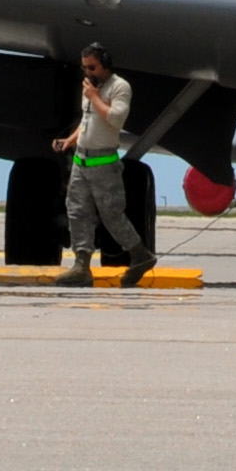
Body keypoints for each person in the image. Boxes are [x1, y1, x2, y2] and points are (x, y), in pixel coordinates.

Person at [54, 42, 153, 287]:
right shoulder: (90, 88)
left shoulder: (119, 87)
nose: (88, 72)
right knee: (77, 211)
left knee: (111, 215)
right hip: (81, 160)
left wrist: (95, 97)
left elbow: (115, 119)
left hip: (103, 163)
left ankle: (140, 255)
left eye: (93, 67)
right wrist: (70, 140)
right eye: (85, 68)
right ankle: (81, 265)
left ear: (105, 64)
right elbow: (87, 121)